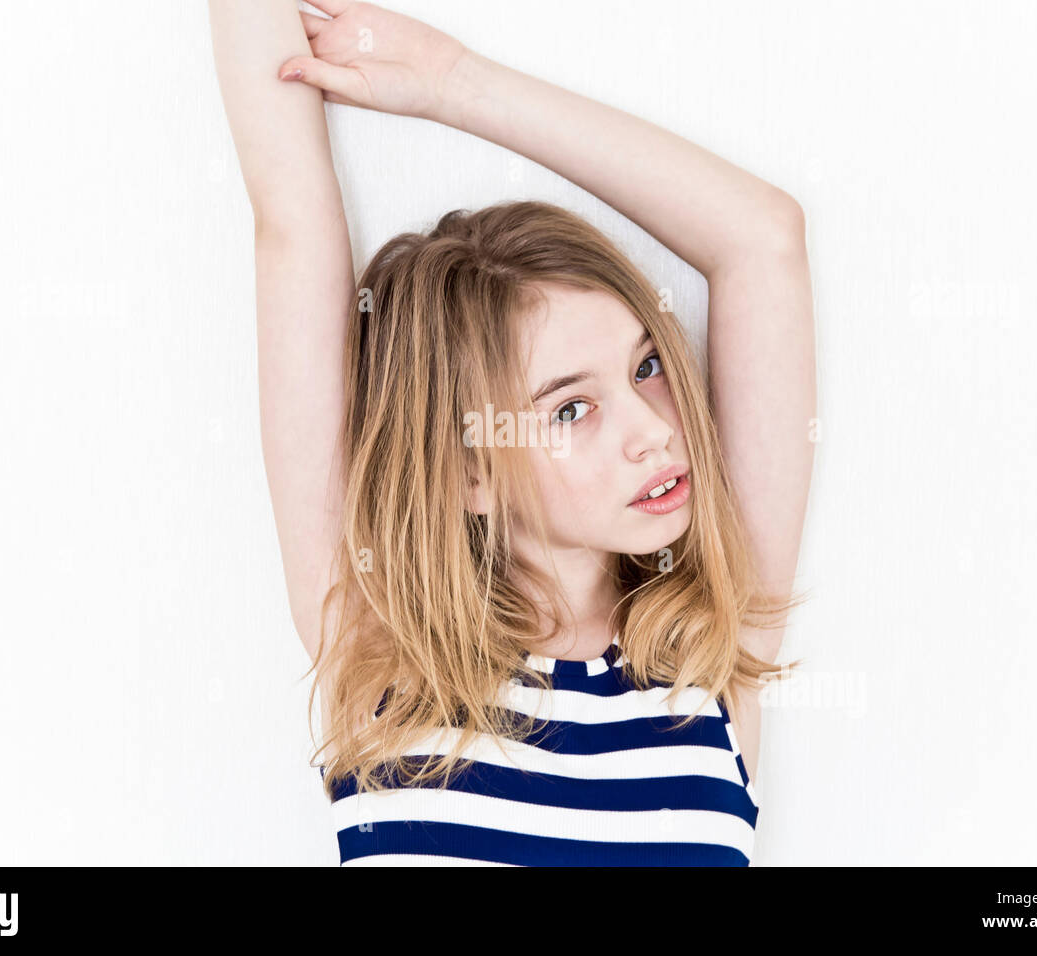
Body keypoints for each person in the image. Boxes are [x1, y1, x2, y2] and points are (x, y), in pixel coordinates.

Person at [208, 0, 816, 866]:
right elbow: (291, 227)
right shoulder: (381, 652)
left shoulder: (708, 656)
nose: (652, 429)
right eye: (571, 408)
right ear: (468, 474)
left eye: (646, 366)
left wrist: (455, 83)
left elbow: (763, 236)